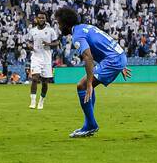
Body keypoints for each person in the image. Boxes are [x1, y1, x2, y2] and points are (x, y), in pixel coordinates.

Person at [55, 7, 131, 138]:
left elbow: (88, 57)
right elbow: (105, 42)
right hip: (117, 56)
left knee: (82, 86)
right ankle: (89, 124)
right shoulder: (86, 27)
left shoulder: (77, 35)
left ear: (65, 24)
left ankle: (90, 125)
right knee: (85, 86)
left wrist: (90, 82)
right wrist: (121, 64)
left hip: (113, 60)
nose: (59, 27)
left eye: (59, 23)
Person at [26, 11, 57, 111]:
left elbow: (56, 43)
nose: (41, 19)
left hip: (46, 58)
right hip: (36, 57)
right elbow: (29, 41)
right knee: (35, 78)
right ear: (36, 19)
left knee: (44, 82)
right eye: (39, 18)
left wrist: (48, 44)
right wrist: (29, 45)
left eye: (43, 18)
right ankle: (33, 101)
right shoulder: (32, 31)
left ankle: (41, 100)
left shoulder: (50, 30)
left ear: (46, 19)